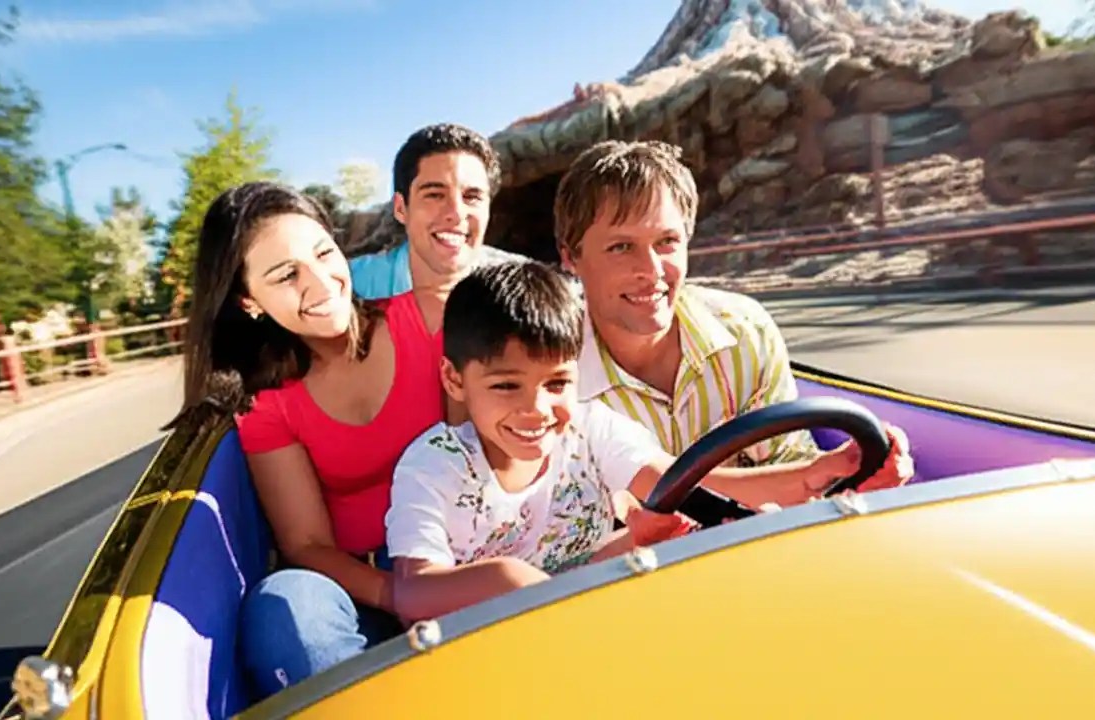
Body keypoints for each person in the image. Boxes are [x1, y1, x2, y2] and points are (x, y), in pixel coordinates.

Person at [384, 260, 869, 622]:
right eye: (507, 386)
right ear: (454, 380)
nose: (537, 409)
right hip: (494, 641)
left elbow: (696, 484)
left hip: (603, 613)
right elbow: (412, 593)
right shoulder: (434, 467)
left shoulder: (589, 429)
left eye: (556, 384)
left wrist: (813, 475)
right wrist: (511, 581)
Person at [178, 180, 444, 698]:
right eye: (286, 275)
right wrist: (398, 594)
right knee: (284, 606)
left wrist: (448, 578)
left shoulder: (431, 318)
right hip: (366, 588)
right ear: (248, 300)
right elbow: (306, 544)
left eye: (324, 253)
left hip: (467, 548)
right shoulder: (266, 401)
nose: (321, 283)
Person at [553, 139, 910, 493]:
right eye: (621, 247)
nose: (651, 270)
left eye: (667, 242)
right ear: (571, 258)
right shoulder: (545, 379)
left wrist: (848, 482)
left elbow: (787, 461)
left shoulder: (745, 331)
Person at [348, 122, 525, 306]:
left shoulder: (523, 289)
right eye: (434, 195)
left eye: (472, 197)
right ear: (401, 208)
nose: (456, 213)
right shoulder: (349, 288)